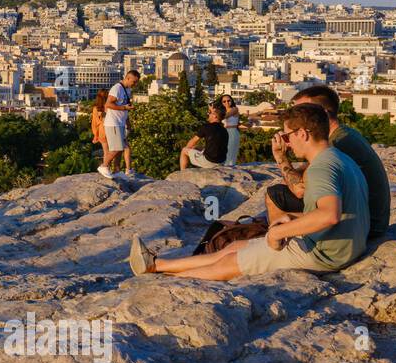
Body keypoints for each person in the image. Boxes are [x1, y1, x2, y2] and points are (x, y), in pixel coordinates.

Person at [129, 103, 370, 281]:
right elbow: (342, 211)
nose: (286, 143)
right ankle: (157, 264)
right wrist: (294, 219)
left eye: (287, 136)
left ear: (302, 134)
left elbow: (329, 215)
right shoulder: (340, 158)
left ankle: (166, 278)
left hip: (322, 253)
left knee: (231, 262)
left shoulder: (321, 168)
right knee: (235, 247)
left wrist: (280, 232)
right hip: (342, 246)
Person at [267, 84, 390, 240]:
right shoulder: (341, 134)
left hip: (364, 225)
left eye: (301, 111)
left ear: (321, 113)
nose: (294, 118)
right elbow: (307, 174)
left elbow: (300, 190)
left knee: (275, 195)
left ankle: (283, 242)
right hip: (366, 217)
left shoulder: (338, 143)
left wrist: (280, 157)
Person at [99, 70, 139, 178]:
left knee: (121, 148)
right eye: (134, 82)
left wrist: (127, 122)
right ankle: (104, 166)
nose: (134, 84)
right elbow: (108, 104)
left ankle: (116, 171)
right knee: (117, 148)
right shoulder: (117, 88)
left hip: (120, 123)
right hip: (113, 123)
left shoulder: (127, 90)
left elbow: (126, 108)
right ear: (128, 78)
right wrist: (124, 108)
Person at [180, 103, 229, 170]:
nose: (208, 114)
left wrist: (188, 150)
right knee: (196, 148)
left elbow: (192, 141)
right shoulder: (224, 130)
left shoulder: (206, 127)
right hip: (222, 162)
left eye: (210, 113)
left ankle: (182, 173)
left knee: (184, 150)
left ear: (215, 116)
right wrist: (212, 110)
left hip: (210, 162)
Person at [220, 95, 241, 165]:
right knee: (223, 152)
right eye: (224, 101)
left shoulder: (234, 109)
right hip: (224, 132)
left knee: (230, 152)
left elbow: (226, 116)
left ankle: (230, 169)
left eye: (228, 100)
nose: (227, 102)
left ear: (231, 101)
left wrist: (215, 113)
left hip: (232, 131)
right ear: (222, 103)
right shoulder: (222, 111)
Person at [90, 90, 109, 162]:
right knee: (113, 151)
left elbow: (94, 123)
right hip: (110, 130)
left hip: (101, 131)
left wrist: (96, 135)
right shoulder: (109, 106)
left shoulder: (95, 108)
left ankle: (106, 168)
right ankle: (108, 168)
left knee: (106, 152)